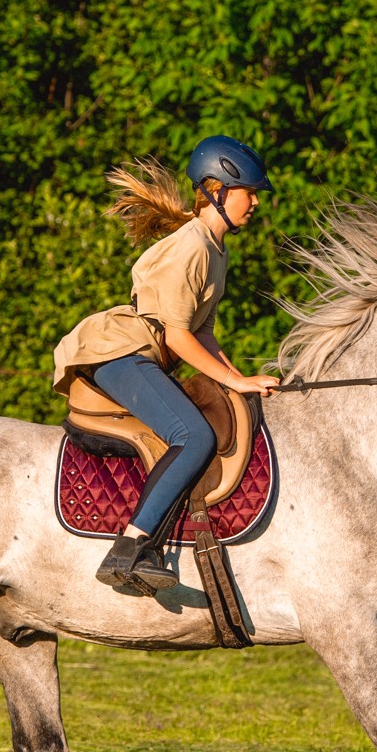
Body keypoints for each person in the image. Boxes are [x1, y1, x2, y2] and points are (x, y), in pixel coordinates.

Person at [53, 136, 280, 593]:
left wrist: (240, 382)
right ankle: (131, 547)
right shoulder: (192, 247)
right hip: (118, 351)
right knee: (192, 435)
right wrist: (233, 379)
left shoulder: (217, 251)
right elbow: (176, 335)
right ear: (217, 190)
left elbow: (203, 334)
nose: (255, 202)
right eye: (248, 192)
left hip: (141, 353)